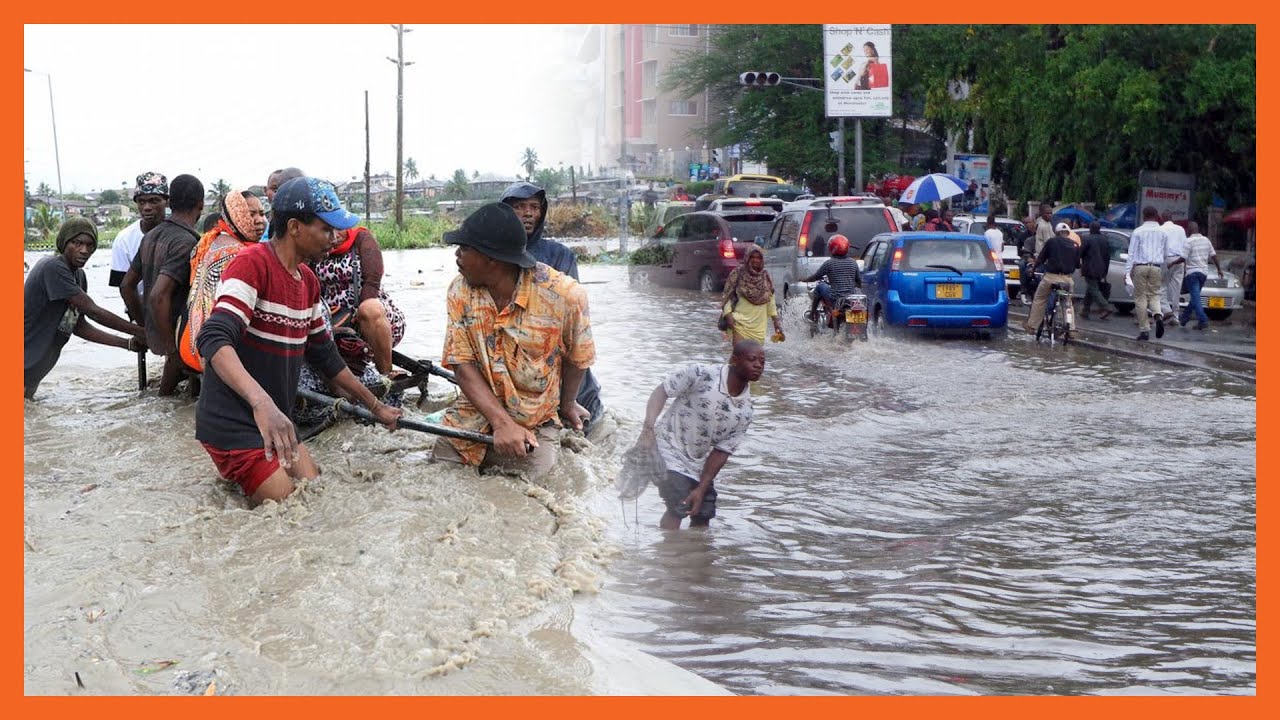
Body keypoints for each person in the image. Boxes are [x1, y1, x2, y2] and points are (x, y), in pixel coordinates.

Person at [194, 177, 400, 506]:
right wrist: (263, 404)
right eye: (326, 229)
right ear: (294, 227)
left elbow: (328, 360)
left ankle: (242, 479)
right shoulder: (250, 266)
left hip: (276, 420)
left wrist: (376, 407)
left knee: (314, 490)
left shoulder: (307, 283)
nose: (335, 238)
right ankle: (237, 469)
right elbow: (214, 339)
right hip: (234, 422)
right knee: (286, 505)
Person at [431, 203, 595, 481]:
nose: (456, 256)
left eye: (464, 249)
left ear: (491, 259)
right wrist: (501, 424)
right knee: (437, 479)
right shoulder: (460, 290)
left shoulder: (564, 296)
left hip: (535, 422)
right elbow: (461, 365)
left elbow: (579, 359)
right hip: (472, 415)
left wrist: (567, 404)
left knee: (537, 489)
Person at [500, 181, 606, 433]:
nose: (528, 213)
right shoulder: (490, 255)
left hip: (552, 347)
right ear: (504, 211)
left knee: (582, 424)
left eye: (534, 207)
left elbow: (571, 313)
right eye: (520, 206)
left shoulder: (559, 255)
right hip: (509, 351)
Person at [638, 341, 764, 530]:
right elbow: (662, 391)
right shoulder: (701, 374)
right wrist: (648, 429)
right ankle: (666, 553)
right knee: (678, 505)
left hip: (697, 462)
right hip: (667, 448)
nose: (758, 365)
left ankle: (696, 555)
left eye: (762, 362)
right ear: (734, 360)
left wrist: (702, 487)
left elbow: (721, 452)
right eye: (752, 359)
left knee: (704, 512)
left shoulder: (745, 411)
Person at [24, 218, 146, 399]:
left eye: (90, 245)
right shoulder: (52, 267)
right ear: (64, 242)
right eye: (77, 243)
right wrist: (143, 332)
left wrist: (128, 343)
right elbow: (93, 311)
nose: (84, 250)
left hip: (33, 373)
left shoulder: (78, 276)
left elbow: (78, 326)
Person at [120, 174, 205, 396]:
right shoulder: (188, 243)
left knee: (168, 398)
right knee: (188, 394)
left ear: (170, 202)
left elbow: (126, 287)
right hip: (179, 335)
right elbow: (158, 296)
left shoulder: (150, 236)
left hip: (161, 330)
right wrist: (171, 347)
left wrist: (146, 325)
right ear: (201, 205)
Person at [180, 190, 268, 374]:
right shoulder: (239, 253)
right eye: (251, 214)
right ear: (235, 215)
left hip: (191, 342)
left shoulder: (214, 239)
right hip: (213, 350)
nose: (260, 220)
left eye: (262, 213)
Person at [311, 223, 405, 377]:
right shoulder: (317, 248)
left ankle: (386, 373)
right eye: (329, 230)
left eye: (339, 228)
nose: (335, 236)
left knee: (368, 309)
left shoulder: (361, 238)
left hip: (371, 313)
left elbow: (373, 280)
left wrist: (358, 312)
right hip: (335, 316)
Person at [109, 172, 168, 290]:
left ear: (167, 201)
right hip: (137, 306)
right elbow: (123, 286)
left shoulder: (179, 236)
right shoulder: (124, 239)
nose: (146, 207)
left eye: (154, 201)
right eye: (141, 202)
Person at [1023, 222, 1081, 335]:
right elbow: (1078, 264)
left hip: (1051, 277)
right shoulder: (1075, 245)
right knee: (1068, 302)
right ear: (1068, 233)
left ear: (1056, 232)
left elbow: (1040, 259)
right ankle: (1071, 329)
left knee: (1040, 298)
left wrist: (1033, 269)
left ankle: (1032, 326)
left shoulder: (1052, 242)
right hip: (1067, 279)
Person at [1124, 206, 1169, 341]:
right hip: (1156, 267)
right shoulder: (1163, 232)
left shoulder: (1138, 232)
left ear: (1144, 216)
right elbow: (1166, 253)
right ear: (1156, 216)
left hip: (1141, 267)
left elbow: (1131, 254)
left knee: (1140, 298)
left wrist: (1127, 272)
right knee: (1155, 295)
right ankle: (1158, 314)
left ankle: (1144, 330)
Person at [720, 245, 783, 344]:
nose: (755, 260)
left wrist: (776, 321)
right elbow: (727, 296)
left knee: (754, 358)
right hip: (739, 324)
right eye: (752, 257)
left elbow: (770, 301)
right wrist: (728, 316)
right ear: (747, 258)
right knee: (740, 356)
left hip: (759, 329)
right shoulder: (737, 273)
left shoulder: (765, 277)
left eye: (758, 258)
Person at [802, 234, 862, 327]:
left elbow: (816, 277)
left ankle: (812, 314)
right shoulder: (853, 263)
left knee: (819, 287)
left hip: (834, 297)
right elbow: (859, 281)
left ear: (831, 248)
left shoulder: (829, 263)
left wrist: (805, 280)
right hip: (850, 298)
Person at [1176, 221, 1223, 331]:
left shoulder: (1188, 241)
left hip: (1192, 274)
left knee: (1195, 298)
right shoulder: (1206, 240)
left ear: (1189, 230)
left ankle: (1203, 319)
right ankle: (1184, 318)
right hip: (1203, 274)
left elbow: (1183, 257)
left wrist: (1172, 263)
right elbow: (1214, 256)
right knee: (1195, 297)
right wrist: (1219, 269)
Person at [1079, 221, 1118, 321]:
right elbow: (1107, 256)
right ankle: (1085, 310)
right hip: (1101, 268)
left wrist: (1077, 263)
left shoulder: (1087, 238)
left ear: (1091, 229)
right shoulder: (1104, 240)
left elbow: (1080, 252)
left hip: (1089, 268)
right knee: (1091, 288)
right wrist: (1105, 270)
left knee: (1093, 289)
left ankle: (1105, 306)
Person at [1159, 217, 1189, 326]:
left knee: (1161, 288)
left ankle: (1167, 311)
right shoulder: (1180, 229)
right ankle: (1175, 316)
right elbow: (1185, 246)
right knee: (1176, 290)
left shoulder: (1161, 229)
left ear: (1162, 219)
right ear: (1172, 218)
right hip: (1179, 260)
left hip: (1166, 260)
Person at [1016, 216, 1038, 304]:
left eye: (1030, 222)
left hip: (1039, 257)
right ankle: (1024, 288)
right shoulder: (1022, 236)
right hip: (1027, 257)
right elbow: (1020, 251)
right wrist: (1027, 258)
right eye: (1026, 223)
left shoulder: (1040, 234)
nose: (1028, 225)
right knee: (1021, 265)